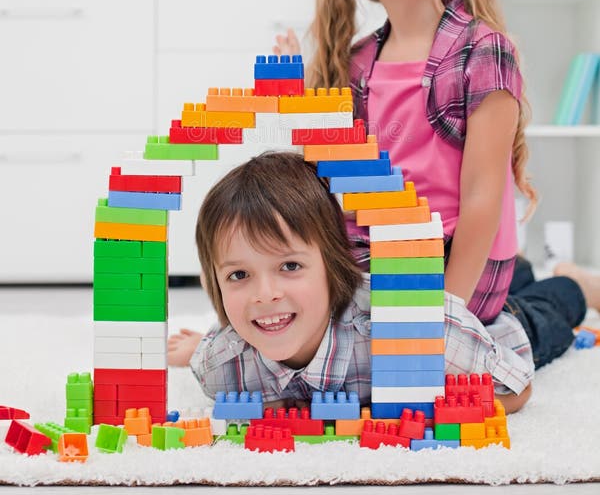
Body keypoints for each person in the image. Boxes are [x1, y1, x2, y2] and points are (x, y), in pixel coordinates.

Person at [274, 0, 535, 326]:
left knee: (518, 328)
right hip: (378, 256)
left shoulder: (484, 49)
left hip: (461, 259)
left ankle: (567, 290)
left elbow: (482, 196)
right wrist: (298, 99)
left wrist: (448, 313)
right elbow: (334, 173)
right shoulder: (358, 63)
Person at [169, 151, 548, 414]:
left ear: (334, 263)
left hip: (498, 322)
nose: (265, 294)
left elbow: (516, 385)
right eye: (239, 275)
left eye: (289, 266)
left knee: (548, 304)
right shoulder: (221, 369)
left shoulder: (417, 329)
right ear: (213, 284)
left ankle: (570, 280)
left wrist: (409, 404)